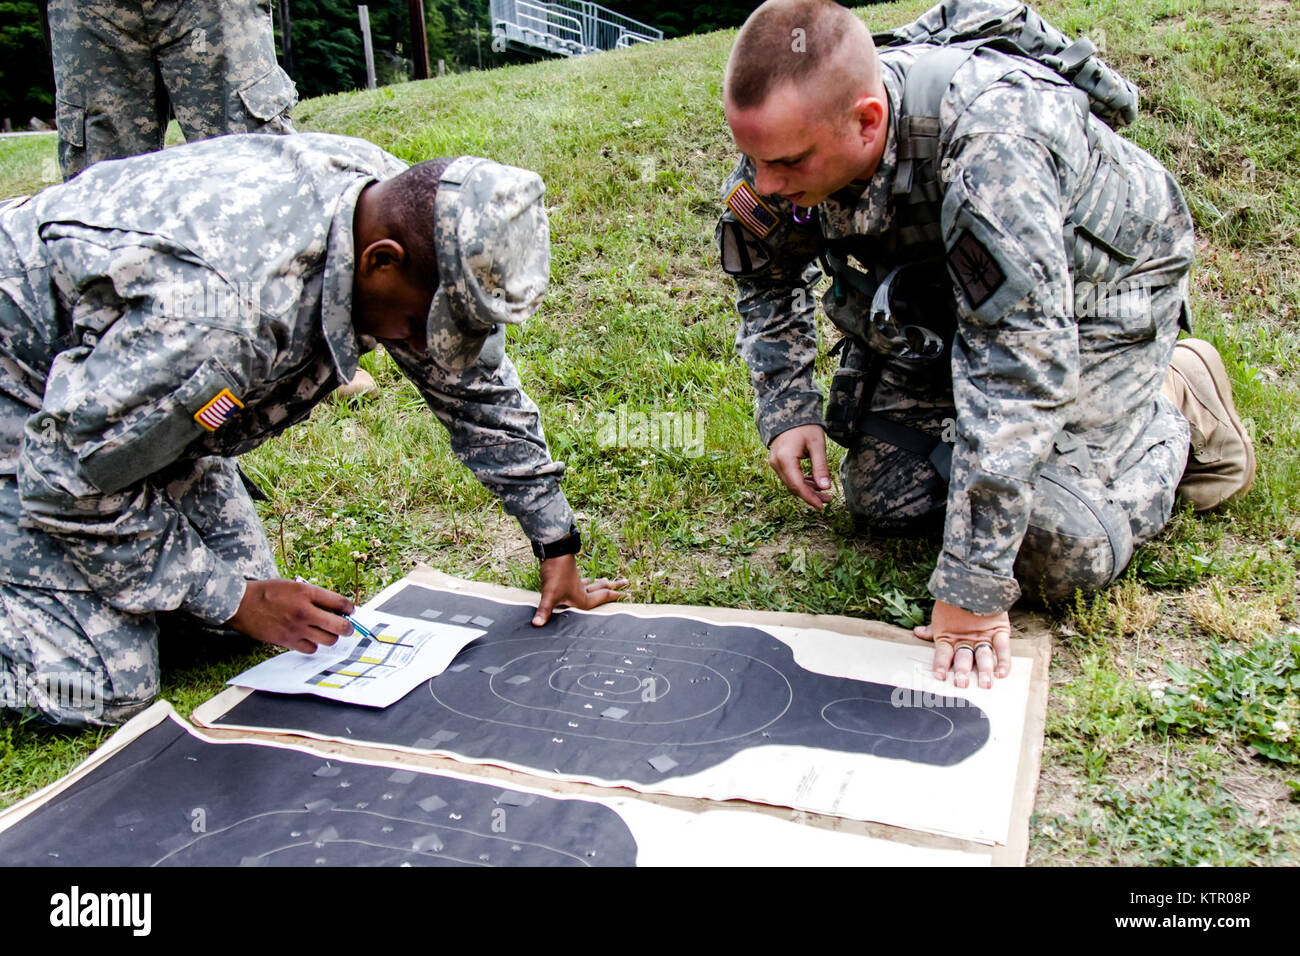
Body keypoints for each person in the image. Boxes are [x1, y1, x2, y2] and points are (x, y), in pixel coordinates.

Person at [0, 132, 625, 727]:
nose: (425, 345)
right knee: (103, 685)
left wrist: (554, 540)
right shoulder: (225, 319)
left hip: (124, 384)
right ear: (383, 262)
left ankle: (136, 462)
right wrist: (239, 601)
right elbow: (65, 481)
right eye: (423, 323)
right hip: (25, 401)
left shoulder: (394, 206)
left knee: (216, 622)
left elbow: (476, 391)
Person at [716, 0, 1255, 690]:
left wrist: (972, 590)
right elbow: (763, 275)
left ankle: (1176, 393)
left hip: (1098, 301)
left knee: (1058, 548)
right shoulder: (784, 139)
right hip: (962, 294)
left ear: (867, 120)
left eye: (785, 164)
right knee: (886, 501)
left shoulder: (994, 145)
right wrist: (789, 410)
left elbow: (1016, 365)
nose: (764, 184)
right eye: (755, 159)